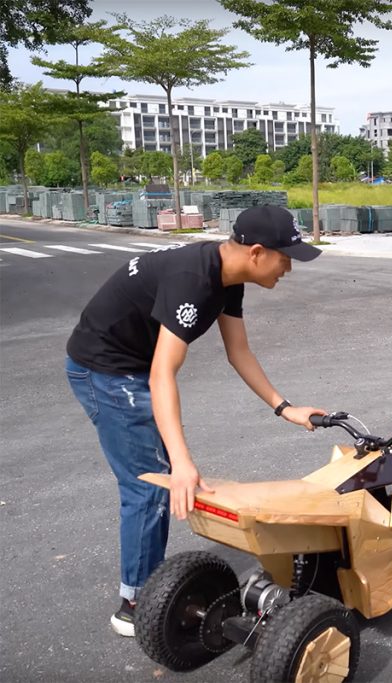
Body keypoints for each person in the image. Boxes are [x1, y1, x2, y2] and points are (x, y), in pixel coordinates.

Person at [65, 205, 326, 637]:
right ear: (257, 253)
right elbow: (161, 374)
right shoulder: (193, 281)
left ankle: (145, 588)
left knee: (162, 474)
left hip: (133, 365)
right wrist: (183, 463)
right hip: (106, 370)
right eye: (286, 258)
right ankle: (136, 604)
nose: (289, 268)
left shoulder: (228, 276)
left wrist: (285, 407)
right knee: (150, 483)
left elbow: (238, 351)